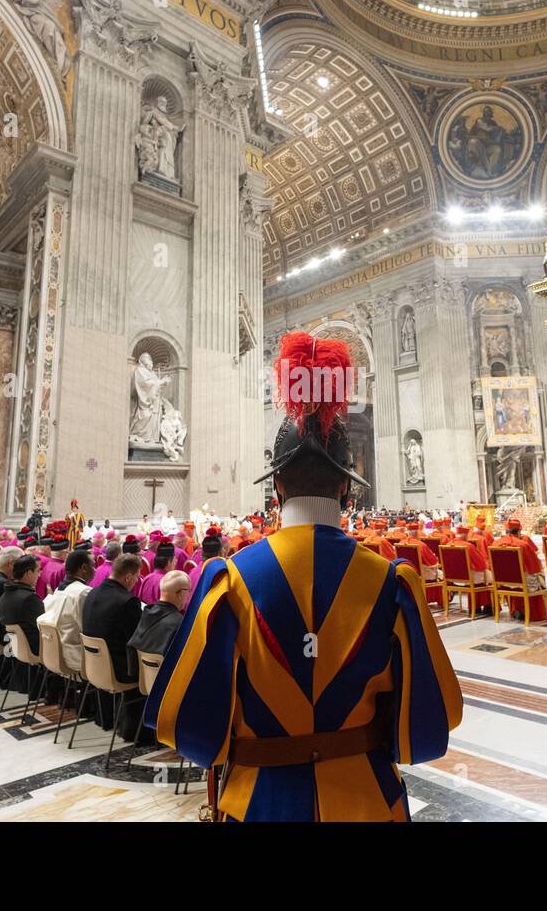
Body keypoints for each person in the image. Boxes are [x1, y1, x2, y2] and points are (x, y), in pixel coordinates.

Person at [145, 331, 461, 822]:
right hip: (369, 805)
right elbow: (431, 724)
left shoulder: (228, 581)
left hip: (259, 805)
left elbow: (188, 727)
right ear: (347, 487)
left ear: (275, 485)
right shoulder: (393, 583)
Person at [80, 554, 144, 685]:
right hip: (118, 670)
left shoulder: (92, 593)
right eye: (137, 576)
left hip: (92, 664)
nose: (137, 580)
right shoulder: (128, 601)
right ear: (128, 577)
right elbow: (137, 639)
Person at [129, 569, 188, 660]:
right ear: (180, 594)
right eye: (188, 591)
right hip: (165, 673)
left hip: (142, 673)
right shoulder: (180, 623)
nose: (188, 595)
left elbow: (131, 647)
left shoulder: (146, 613)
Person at [0, 554, 44, 656]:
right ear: (27, 573)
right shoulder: (29, 598)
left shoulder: (5, 594)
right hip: (31, 649)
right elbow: (42, 626)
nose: (39, 575)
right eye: (37, 571)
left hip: (13, 646)